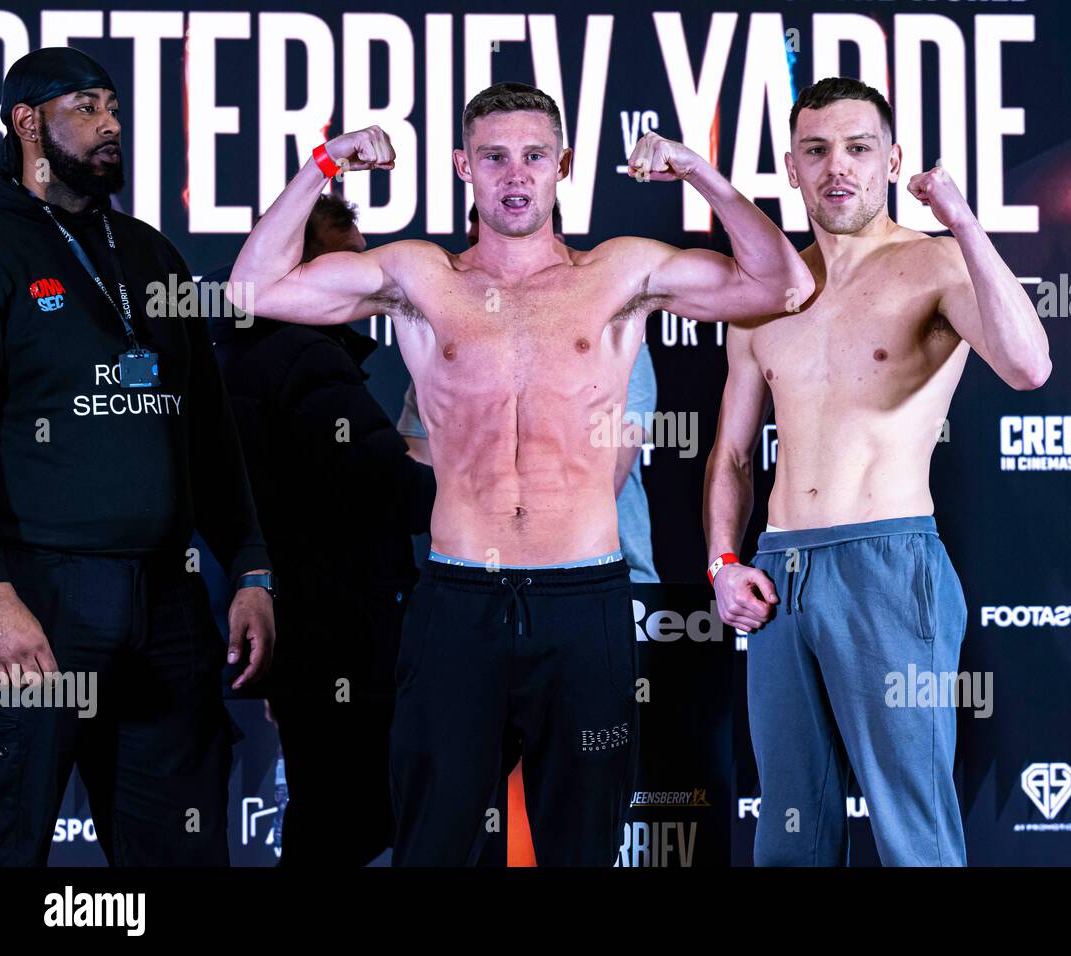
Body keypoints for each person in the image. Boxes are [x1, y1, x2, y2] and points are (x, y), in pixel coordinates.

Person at [229, 81, 814, 865]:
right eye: (495, 157)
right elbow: (252, 288)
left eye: (534, 156)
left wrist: (699, 175)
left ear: (562, 165)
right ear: (464, 167)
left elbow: (783, 284)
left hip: (584, 602)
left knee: (580, 845)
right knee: (433, 843)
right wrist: (323, 165)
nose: (515, 174)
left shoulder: (619, 275)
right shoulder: (419, 277)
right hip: (457, 602)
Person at [704, 77, 1050, 867]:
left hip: (888, 565)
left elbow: (1029, 367)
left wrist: (963, 223)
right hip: (779, 573)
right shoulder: (766, 295)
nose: (839, 168)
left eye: (859, 148)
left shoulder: (933, 265)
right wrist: (724, 559)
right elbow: (727, 455)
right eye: (817, 150)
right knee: (789, 835)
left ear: (891, 160)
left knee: (912, 835)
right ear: (790, 167)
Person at [0, 48, 274, 866]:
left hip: (166, 596)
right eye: (85, 106)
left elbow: (211, 436)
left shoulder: (148, 252)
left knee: (179, 842)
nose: (111, 122)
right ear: (26, 122)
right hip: (36, 595)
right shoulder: (0, 242)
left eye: (113, 105)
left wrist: (253, 570)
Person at [202, 193, 436, 866]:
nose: (367, 275)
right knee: (345, 822)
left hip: (295, 631)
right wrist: (480, 475)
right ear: (309, 268)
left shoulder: (237, 352)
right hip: (342, 636)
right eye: (353, 258)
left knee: (329, 814)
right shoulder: (305, 356)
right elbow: (390, 494)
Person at [398, 201, 660, 582]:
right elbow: (418, 467)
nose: (486, 261)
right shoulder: (445, 350)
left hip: (606, 574)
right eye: (475, 245)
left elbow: (609, 474)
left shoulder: (610, 333)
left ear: (558, 245)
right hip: (479, 576)